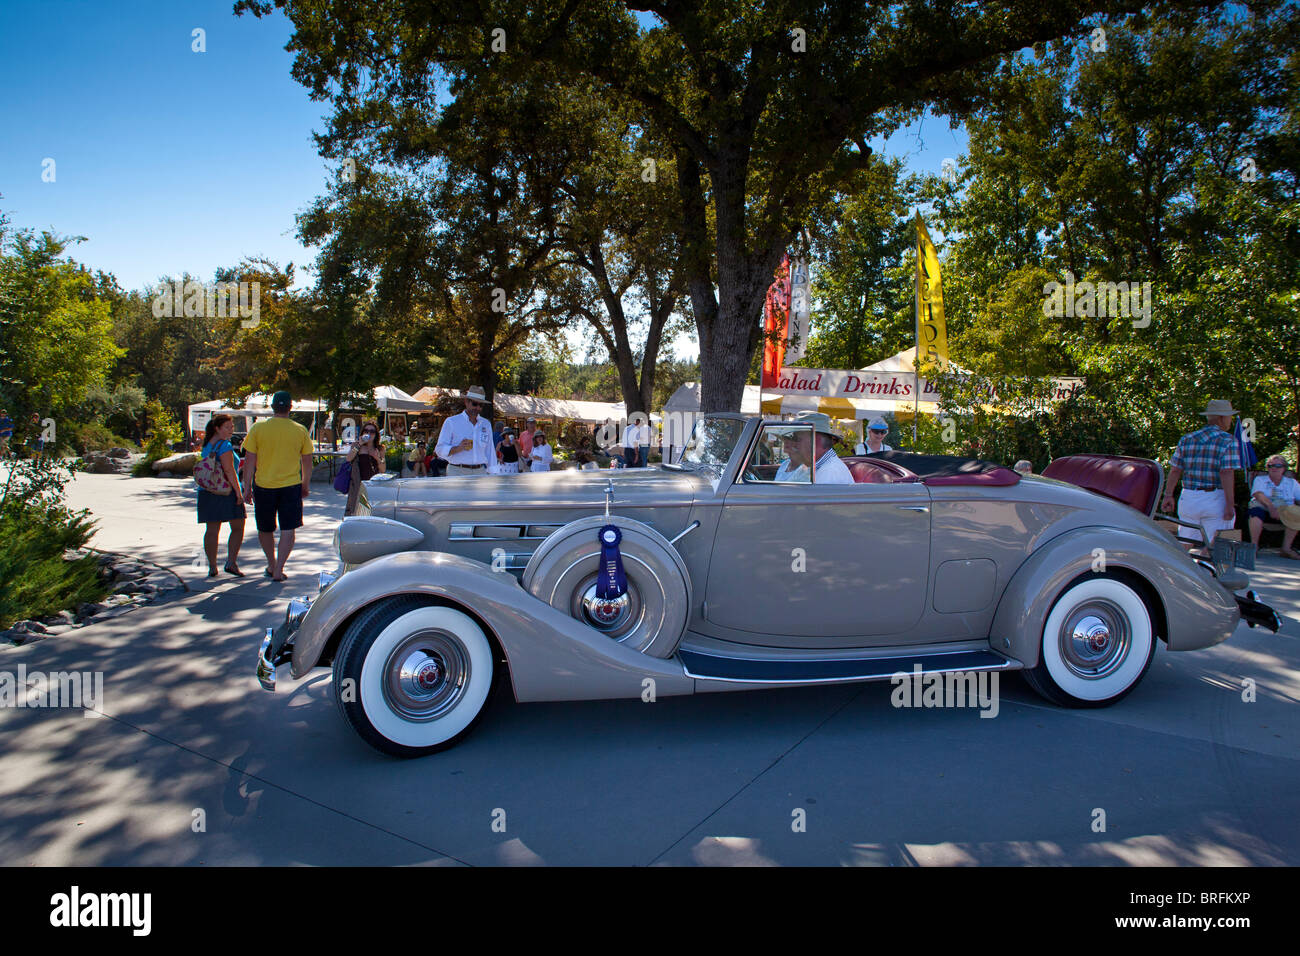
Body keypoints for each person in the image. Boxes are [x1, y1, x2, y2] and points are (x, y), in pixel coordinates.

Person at [241, 390, 313, 581]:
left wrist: (246, 486)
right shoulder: (300, 430)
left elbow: (249, 460)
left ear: (273, 407)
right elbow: (307, 461)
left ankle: (271, 564)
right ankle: (279, 569)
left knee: (265, 528)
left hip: (264, 484)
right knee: (288, 528)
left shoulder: (258, 429)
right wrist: (305, 483)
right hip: (291, 485)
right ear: (290, 407)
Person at [1160, 398, 1243, 545]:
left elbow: (1175, 470)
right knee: (1217, 544)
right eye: (1230, 416)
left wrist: (1168, 494)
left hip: (1189, 497)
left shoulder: (1187, 439)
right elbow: (1226, 473)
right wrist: (1230, 504)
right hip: (1214, 497)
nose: (1231, 420)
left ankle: (1181, 567)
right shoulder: (1228, 440)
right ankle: (1206, 567)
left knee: (1185, 542)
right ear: (1222, 418)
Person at [197, 413, 246, 577]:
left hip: (207, 491)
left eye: (232, 427)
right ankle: (231, 562)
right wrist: (239, 493)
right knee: (238, 527)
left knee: (211, 530)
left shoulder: (207, 445)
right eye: (227, 427)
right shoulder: (224, 445)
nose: (231, 430)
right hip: (226, 490)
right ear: (217, 428)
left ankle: (212, 566)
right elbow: (229, 470)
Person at [774, 412, 854, 484]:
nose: (795, 445)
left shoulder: (830, 472)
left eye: (797, 439)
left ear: (814, 440)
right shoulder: (810, 466)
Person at [435, 386, 494, 476]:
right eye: (474, 404)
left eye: (481, 405)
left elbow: (490, 451)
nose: (477, 408)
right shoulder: (451, 422)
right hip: (457, 471)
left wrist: (494, 473)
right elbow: (439, 449)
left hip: (480, 471)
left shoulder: (486, 424)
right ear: (466, 402)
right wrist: (458, 448)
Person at [1248, 456, 1300, 557]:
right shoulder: (1260, 479)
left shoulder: (1291, 483)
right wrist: (1271, 508)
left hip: (1285, 510)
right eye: (1270, 466)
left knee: (1297, 514)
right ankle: (1254, 546)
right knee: (1256, 513)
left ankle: (1286, 548)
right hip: (1264, 507)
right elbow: (1258, 494)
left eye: (1277, 465)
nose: (1273, 468)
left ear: (1284, 468)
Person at [344, 420, 385, 516]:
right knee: (355, 510)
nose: (369, 433)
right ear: (362, 433)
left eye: (372, 432)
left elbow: (383, 470)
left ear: (376, 435)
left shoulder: (380, 449)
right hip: (358, 483)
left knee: (372, 511)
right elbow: (349, 458)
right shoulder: (356, 445)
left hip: (374, 484)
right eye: (366, 431)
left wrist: (377, 458)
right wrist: (359, 444)